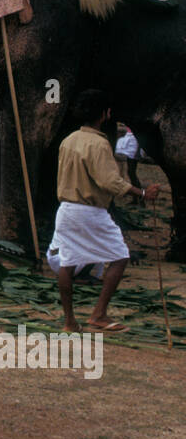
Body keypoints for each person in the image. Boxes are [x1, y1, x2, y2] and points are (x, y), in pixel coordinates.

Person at [46, 90, 159, 332]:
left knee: (67, 262)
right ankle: (98, 314)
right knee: (120, 256)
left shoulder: (69, 140)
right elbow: (110, 182)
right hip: (89, 210)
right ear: (105, 114)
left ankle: (70, 321)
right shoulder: (98, 143)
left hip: (66, 209)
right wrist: (141, 193)